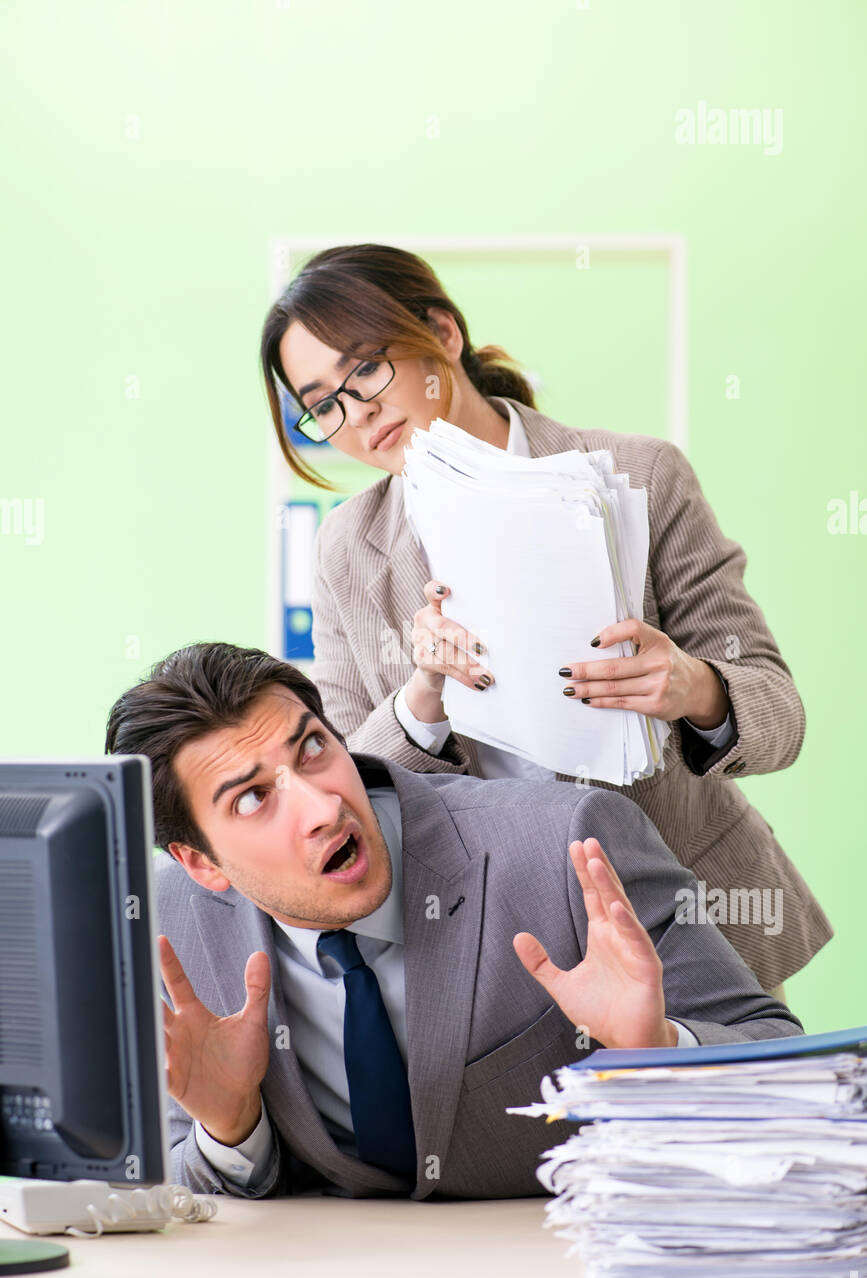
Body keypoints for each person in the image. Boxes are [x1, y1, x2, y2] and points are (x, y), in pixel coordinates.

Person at [260, 243, 832, 994]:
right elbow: (346, 789)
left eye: (364, 367)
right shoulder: (347, 550)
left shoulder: (641, 475)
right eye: (322, 403)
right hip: (494, 953)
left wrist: (694, 687)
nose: (356, 413)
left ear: (442, 334)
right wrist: (420, 701)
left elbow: (778, 715)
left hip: (689, 924)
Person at [105, 642, 802, 1201]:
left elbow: (779, 1062)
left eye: (312, 747)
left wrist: (652, 1047)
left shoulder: (567, 846)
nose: (321, 807)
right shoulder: (174, 921)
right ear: (201, 864)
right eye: (254, 798)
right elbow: (187, 1181)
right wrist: (231, 1127)